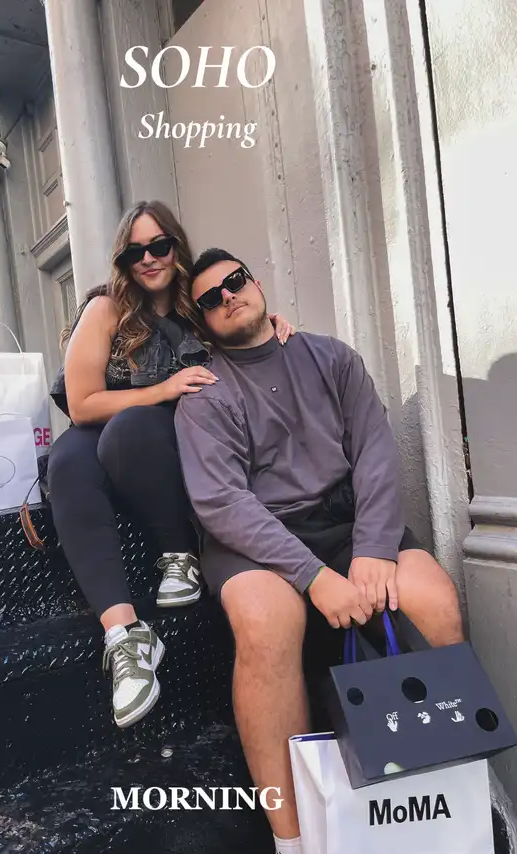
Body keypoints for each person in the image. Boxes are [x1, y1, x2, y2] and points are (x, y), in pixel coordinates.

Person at [174, 248, 465, 854]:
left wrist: (374, 548)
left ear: (256, 283)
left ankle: (444, 804)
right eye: (211, 298)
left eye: (235, 281)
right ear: (203, 320)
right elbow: (223, 503)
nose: (228, 296)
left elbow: (375, 452)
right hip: (255, 539)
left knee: (433, 600)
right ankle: (293, 838)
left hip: (346, 521)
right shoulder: (204, 396)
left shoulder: (332, 357)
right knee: (266, 622)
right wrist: (313, 577)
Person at [47, 203, 294, 729]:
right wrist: (161, 389)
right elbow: (82, 403)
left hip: (173, 441)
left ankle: (179, 553)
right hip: (108, 425)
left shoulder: (197, 308)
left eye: (159, 246)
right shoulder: (107, 308)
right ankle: (125, 636)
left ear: (176, 246)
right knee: (67, 462)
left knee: (133, 431)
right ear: (123, 260)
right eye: (135, 252)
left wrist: (270, 324)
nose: (149, 259)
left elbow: (240, 328)